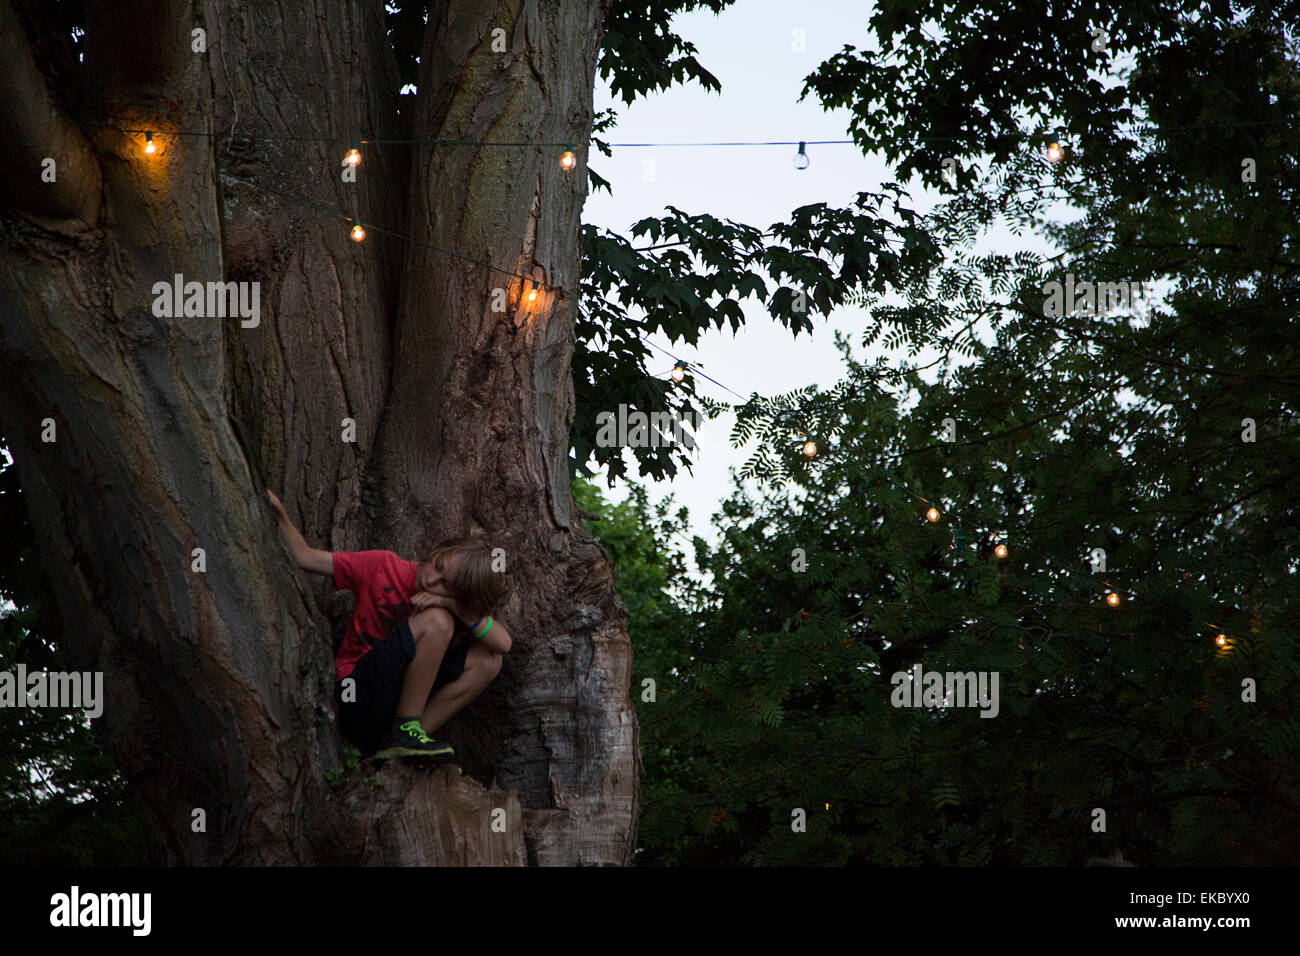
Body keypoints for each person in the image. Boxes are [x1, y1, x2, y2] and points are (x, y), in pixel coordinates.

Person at [266, 490, 510, 761]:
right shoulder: (383, 566)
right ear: (437, 552)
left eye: (447, 586)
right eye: (438, 567)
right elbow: (306, 557)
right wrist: (279, 512)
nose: (432, 581)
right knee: (436, 622)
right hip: (356, 697)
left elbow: (503, 645)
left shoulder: (452, 608)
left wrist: (452, 606)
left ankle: (404, 743)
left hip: (393, 708)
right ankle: (405, 731)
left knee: (489, 660)